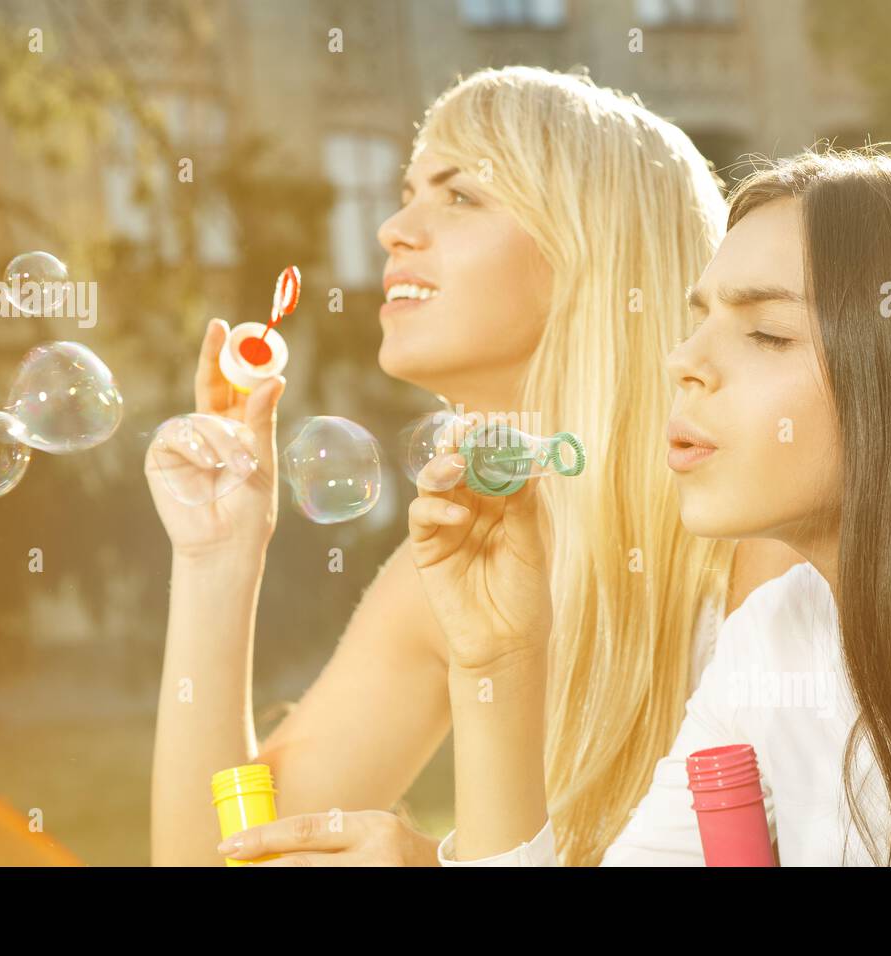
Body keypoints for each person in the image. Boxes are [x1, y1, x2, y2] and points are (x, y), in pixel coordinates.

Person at [148, 65, 802, 867]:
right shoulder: (458, 564)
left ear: (587, 252)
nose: (393, 228)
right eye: (409, 190)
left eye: (460, 196)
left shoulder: (765, 542)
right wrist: (216, 557)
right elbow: (219, 862)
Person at [414, 145, 891, 866]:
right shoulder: (774, 638)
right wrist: (496, 665)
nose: (683, 362)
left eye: (767, 333)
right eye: (699, 321)